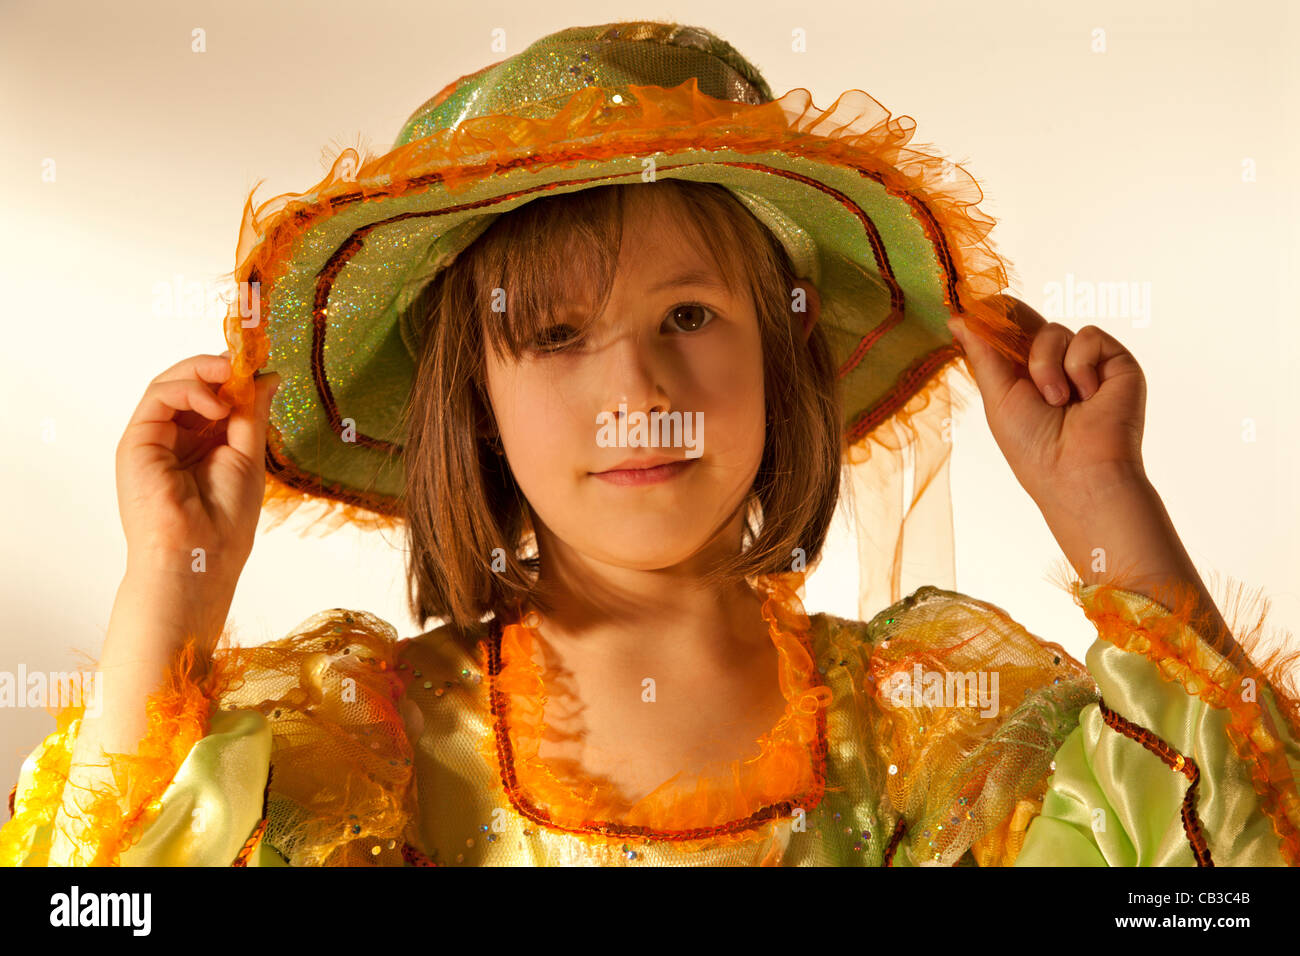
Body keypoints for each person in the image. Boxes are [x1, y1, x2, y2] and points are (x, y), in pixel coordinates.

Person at [4, 20, 1298, 867]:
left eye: (689, 314)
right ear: (474, 403)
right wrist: (172, 581)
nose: (638, 387)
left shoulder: (926, 736)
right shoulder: (360, 750)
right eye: (557, 335)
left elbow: (1221, 877)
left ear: (785, 353)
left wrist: (1103, 506)